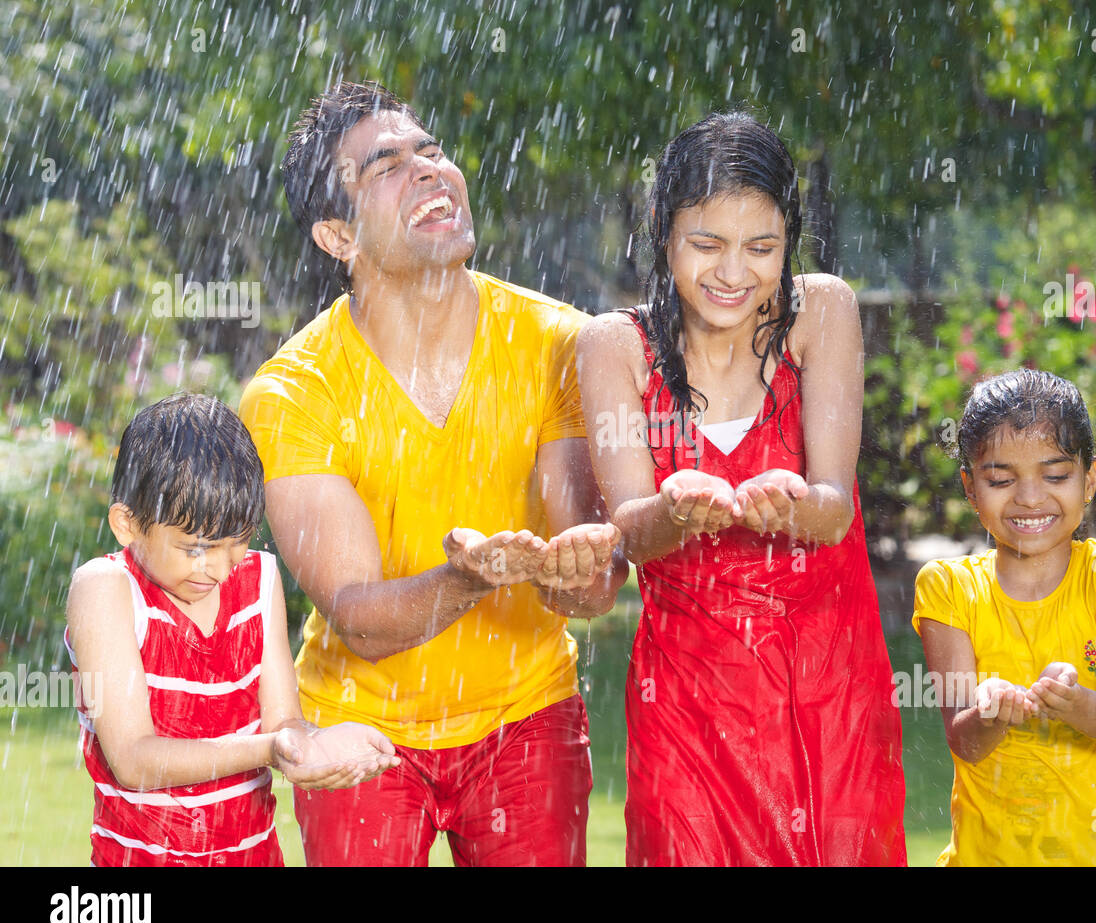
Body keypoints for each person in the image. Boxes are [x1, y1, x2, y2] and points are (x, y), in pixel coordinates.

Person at [238, 81, 626, 867]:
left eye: (433, 151)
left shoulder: (563, 344)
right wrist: (472, 578)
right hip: (359, 727)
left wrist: (582, 568)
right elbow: (357, 618)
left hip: (527, 713)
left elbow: (585, 588)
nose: (428, 172)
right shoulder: (292, 394)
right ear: (335, 236)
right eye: (384, 167)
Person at [577, 111, 906, 866]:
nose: (734, 274)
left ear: (790, 241)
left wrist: (796, 505)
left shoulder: (821, 311)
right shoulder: (614, 348)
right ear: (662, 229)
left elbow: (831, 507)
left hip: (828, 688)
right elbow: (631, 531)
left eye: (762, 248)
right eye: (707, 245)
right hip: (689, 700)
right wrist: (671, 511)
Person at [64, 393, 399, 867]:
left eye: (237, 542)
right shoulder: (107, 591)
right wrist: (273, 749)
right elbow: (134, 760)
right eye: (196, 549)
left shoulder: (258, 581)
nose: (220, 569)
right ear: (128, 524)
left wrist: (312, 744)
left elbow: (283, 721)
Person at [912, 367, 1096, 865]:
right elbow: (966, 743)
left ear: (1088, 479)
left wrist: (1073, 702)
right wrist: (991, 713)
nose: (1028, 497)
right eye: (1001, 479)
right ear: (970, 487)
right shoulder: (947, 588)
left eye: (1055, 475)